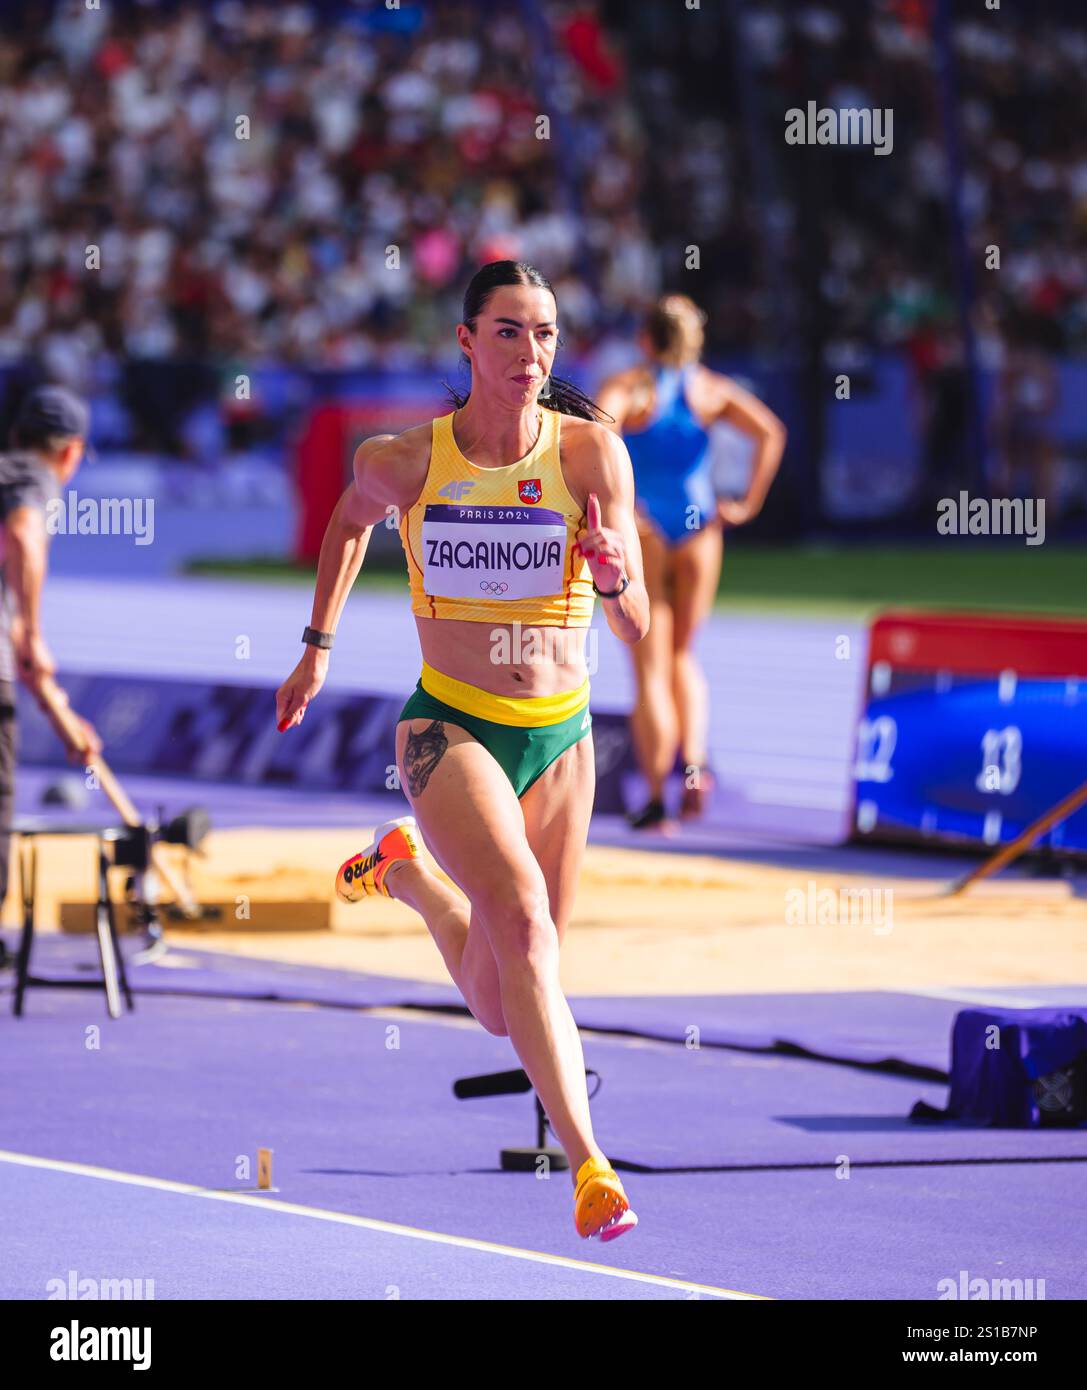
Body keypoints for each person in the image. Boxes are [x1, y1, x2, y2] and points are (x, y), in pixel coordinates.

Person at [275, 261, 650, 1241]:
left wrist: (612, 579)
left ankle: (403, 874)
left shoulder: (591, 457)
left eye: (547, 334)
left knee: (500, 998)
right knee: (524, 924)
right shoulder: (404, 459)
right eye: (511, 332)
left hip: (563, 739)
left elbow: (639, 624)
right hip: (451, 727)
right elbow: (348, 526)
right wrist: (316, 648)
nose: (533, 354)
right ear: (467, 341)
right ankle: (589, 1163)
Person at [596, 295, 786, 828]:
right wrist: (747, 502)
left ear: (644, 339)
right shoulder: (712, 390)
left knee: (650, 667)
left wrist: (623, 507)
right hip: (700, 523)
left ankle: (656, 799)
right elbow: (771, 432)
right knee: (685, 655)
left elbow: (592, 434)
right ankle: (696, 766)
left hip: (648, 527)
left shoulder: (632, 388)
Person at [0, 386, 102, 965]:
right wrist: (34, 631)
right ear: (70, 453)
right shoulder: (32, 479)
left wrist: (66, 723)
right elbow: (22, 533)